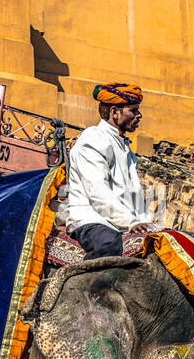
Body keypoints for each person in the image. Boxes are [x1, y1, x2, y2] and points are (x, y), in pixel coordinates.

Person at [65, 82, 157, 258]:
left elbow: (134, 194)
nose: (139, 116)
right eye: (133, 110)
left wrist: (145, 222)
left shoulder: (126, 149)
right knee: (109, 245)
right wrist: (130, 223)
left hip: (122, 221)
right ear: (115, 112)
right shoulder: (93, 140)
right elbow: (98, 193)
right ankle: (86, 285)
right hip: (91, 219)